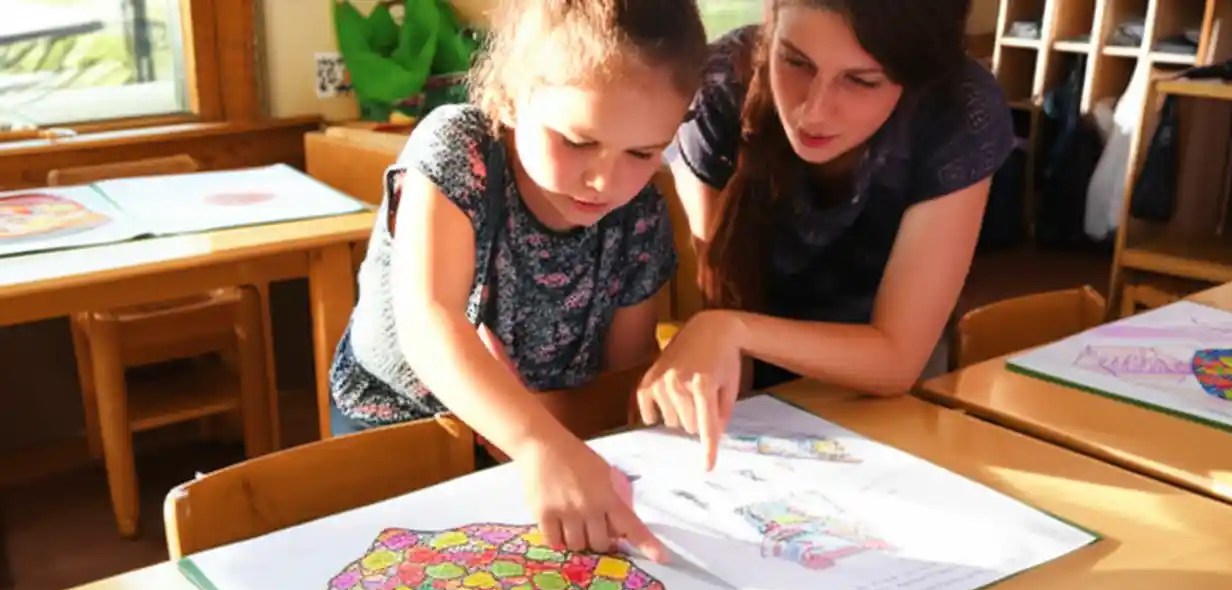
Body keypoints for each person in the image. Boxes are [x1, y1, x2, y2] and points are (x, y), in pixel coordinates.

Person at [328, 0, 709, 560]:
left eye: (643, 152)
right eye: (577, 141)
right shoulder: (459, 149)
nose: (605, 180)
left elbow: (618, 384)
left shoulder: (640, 213)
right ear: (508, 95)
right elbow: (429, 322)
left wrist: (544, 431)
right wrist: (535, 439)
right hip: (404, 432)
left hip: (554, 441)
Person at [637, 0, 1014, 468]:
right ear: (771, 27)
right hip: (755, 385)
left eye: (860, 81)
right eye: (795, 61)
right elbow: (724, 296)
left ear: (914, 78)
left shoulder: (958, 108)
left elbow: (897, 360)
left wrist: (730, 330)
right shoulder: (718, 90)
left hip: (886, 386)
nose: (813, 112)